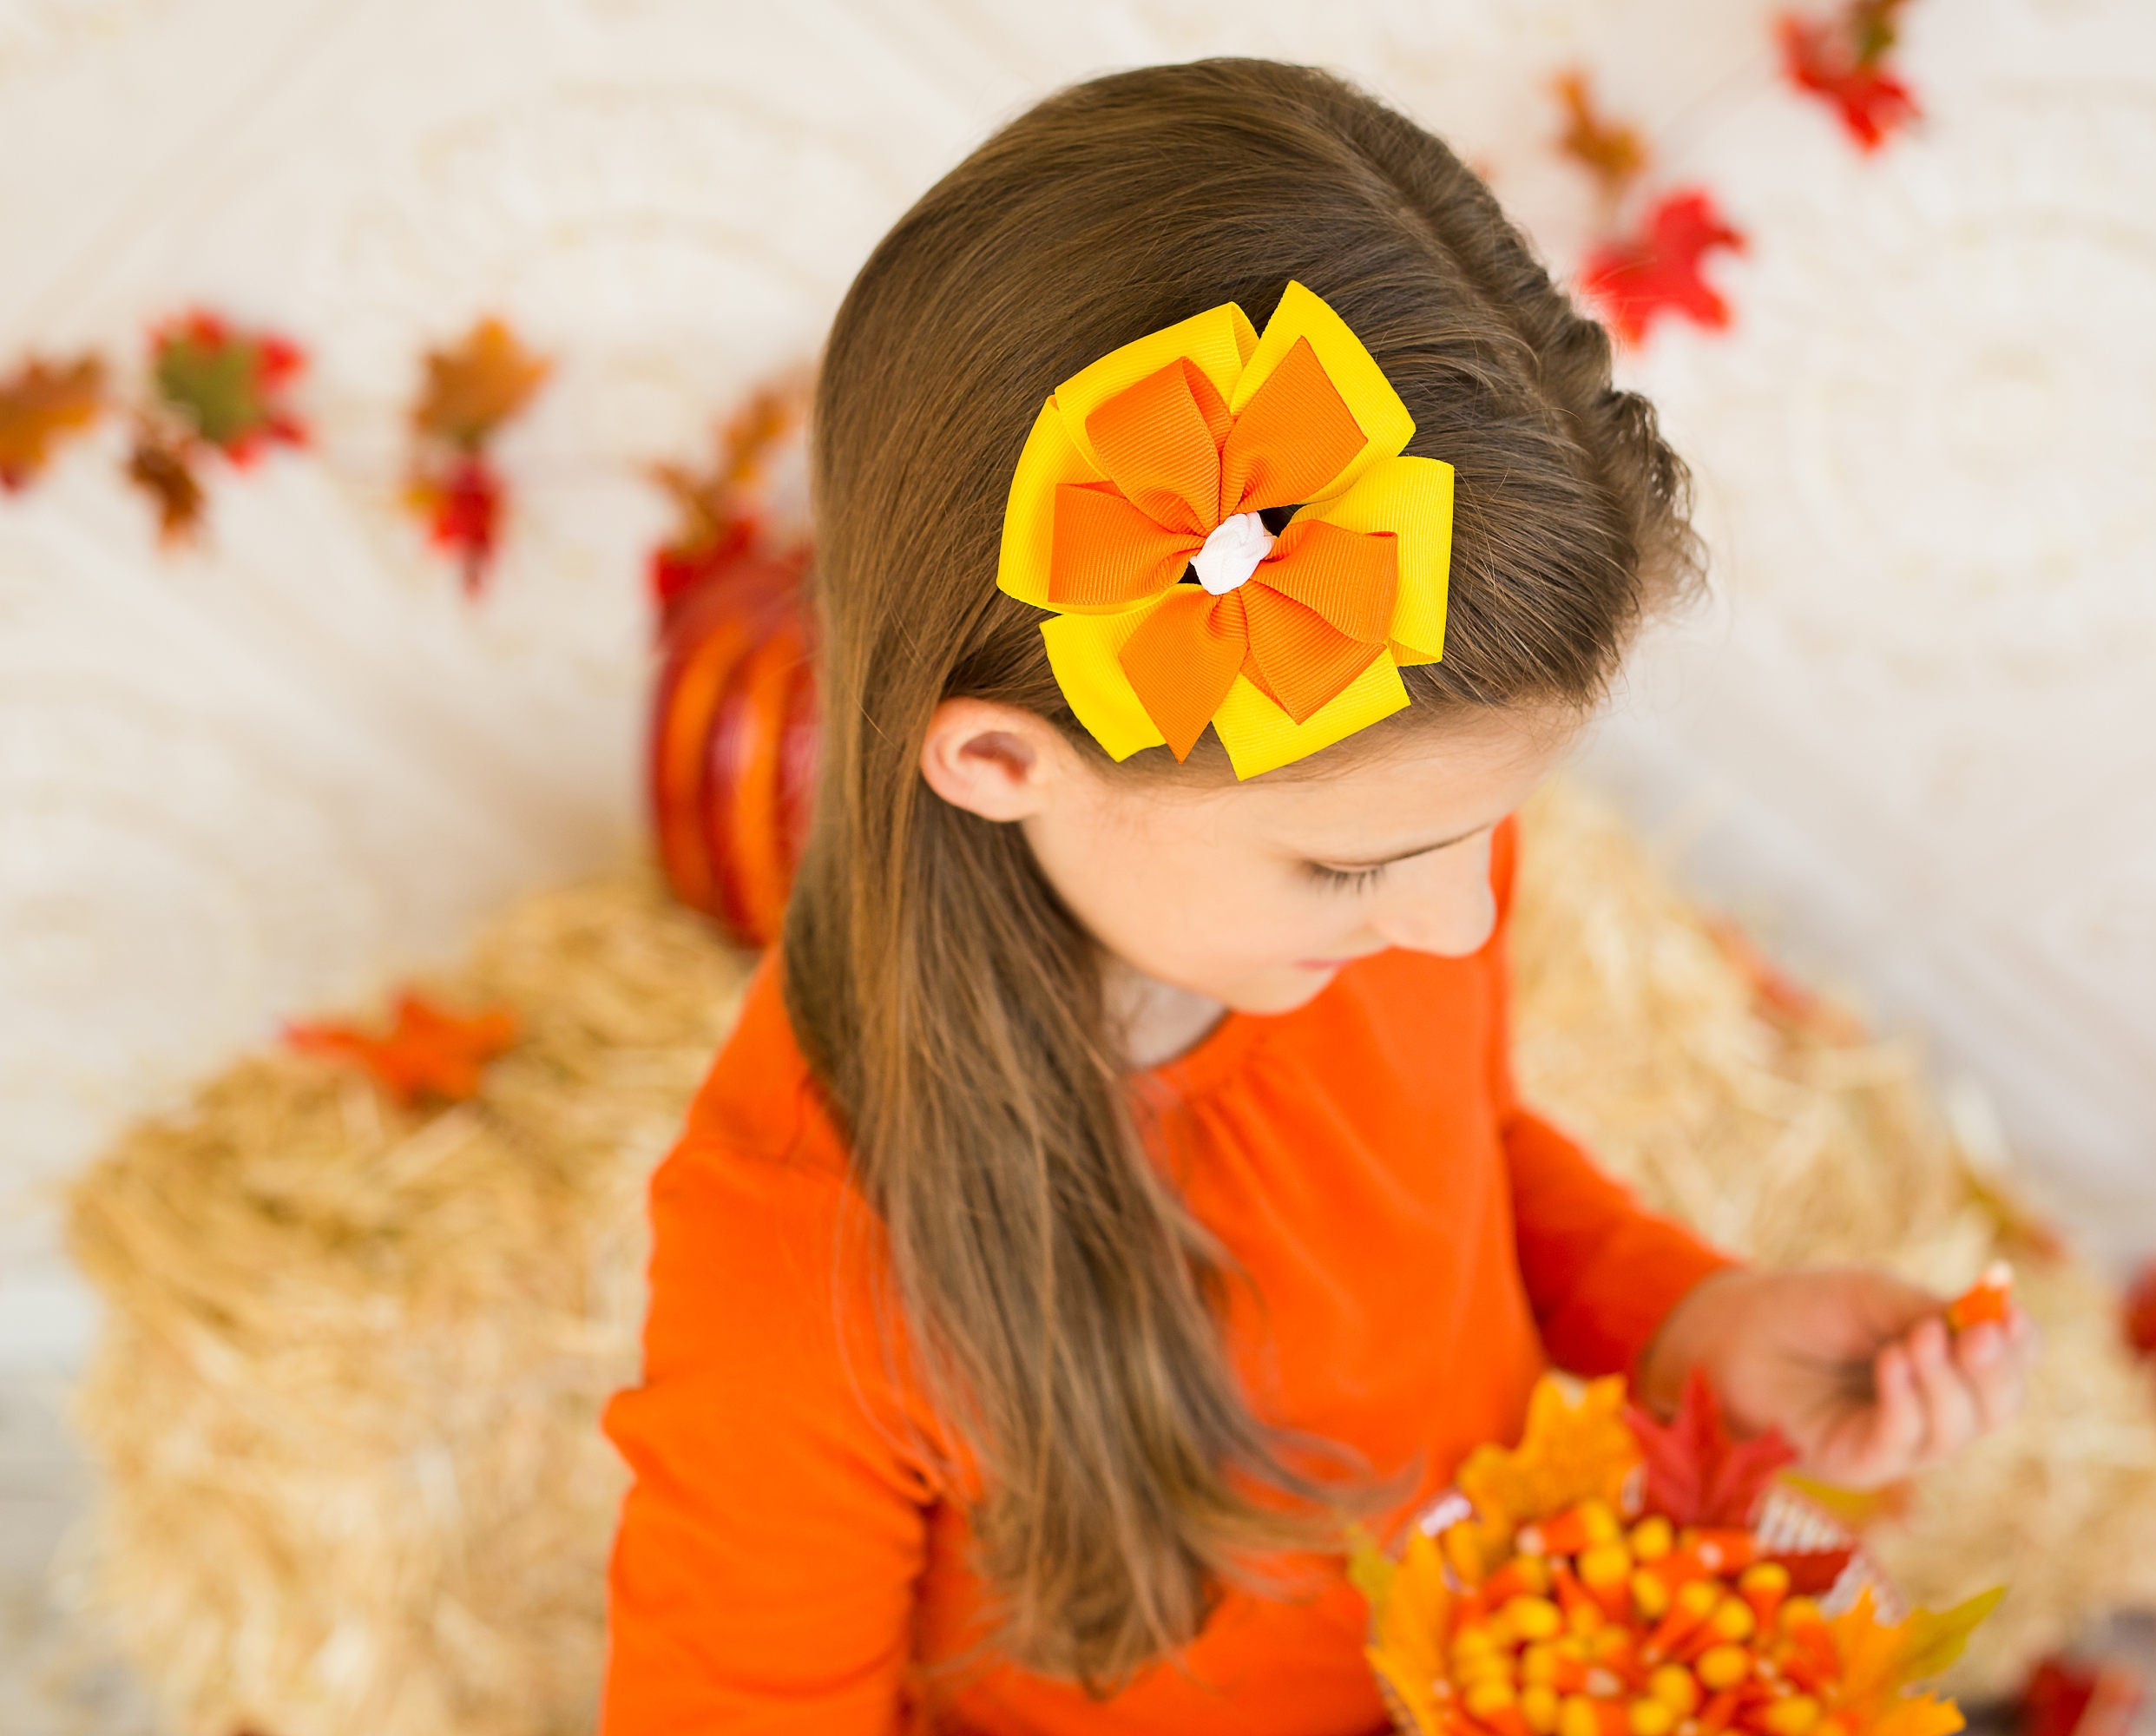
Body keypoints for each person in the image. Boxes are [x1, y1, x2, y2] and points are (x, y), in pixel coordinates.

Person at [601, 58, 2036, 1735]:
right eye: (1351, 862)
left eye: (1488, 829)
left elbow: (1459, 1169)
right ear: (1005, 766)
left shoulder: (1371, 899)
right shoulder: (802, 1258)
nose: (1460, 926)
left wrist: (1684, 1324)